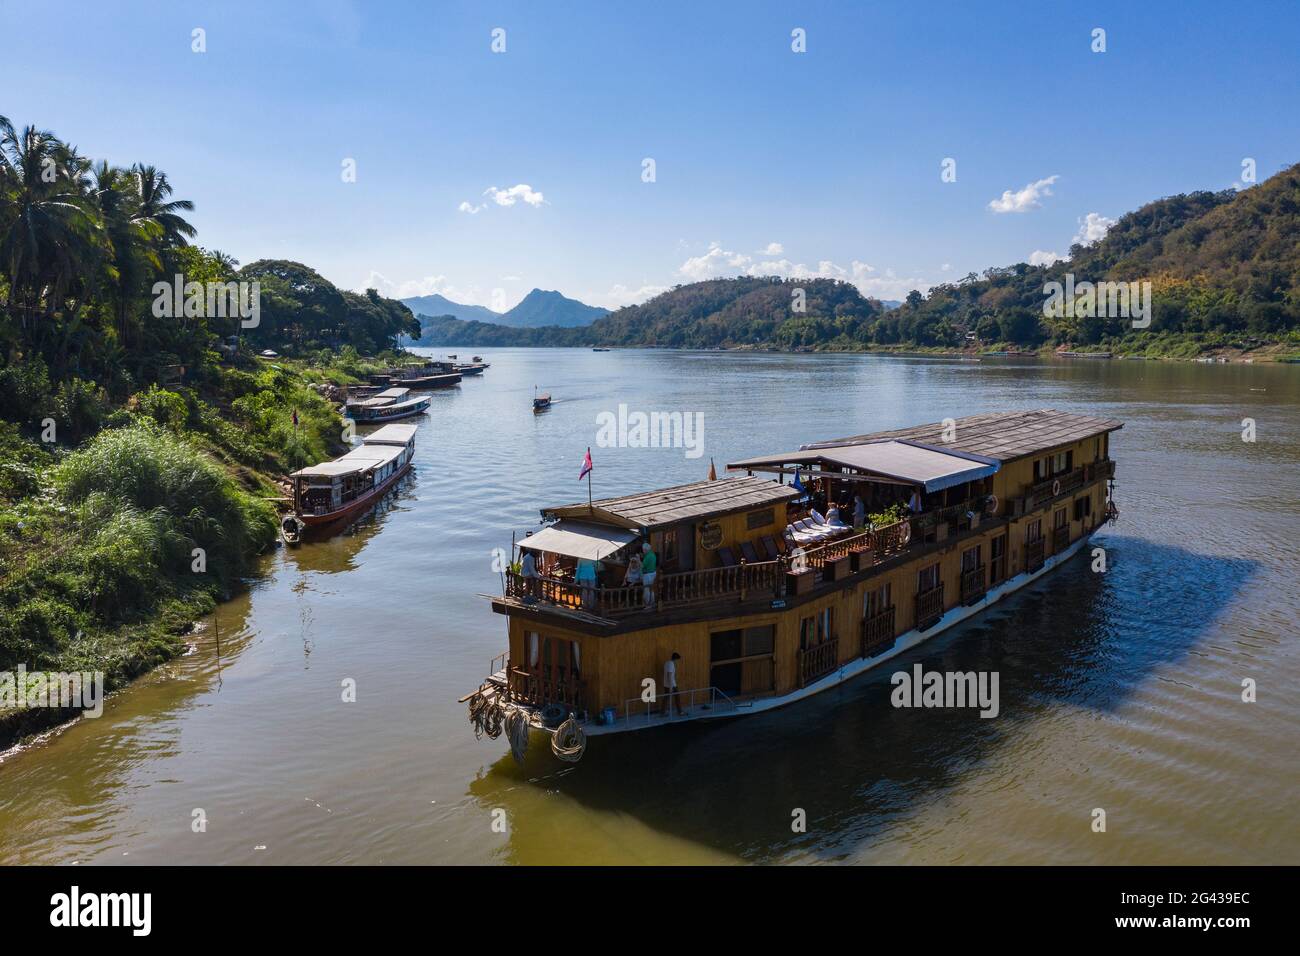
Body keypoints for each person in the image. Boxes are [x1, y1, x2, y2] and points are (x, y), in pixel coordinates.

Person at [663, 651, 684, 716]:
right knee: (677, 697)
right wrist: (671, 687)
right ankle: (680, 711)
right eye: (677, 660)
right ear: (676, 659)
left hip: (666, 684)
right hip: (672, 685)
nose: (677, 662)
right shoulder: (671, 664)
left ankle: (663, 712)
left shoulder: (666, 663)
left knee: (666, 698)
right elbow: (669, 675)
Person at [640, 541, 658, 608]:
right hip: (653, 573)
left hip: (648, 575)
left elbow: (642, 566)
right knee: (651, 589)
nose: (643, 551)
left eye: (643, 550)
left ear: (646, 549)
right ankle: (652, 603)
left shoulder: (648, 557)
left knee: (647, 590)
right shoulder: (652, 554)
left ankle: (647, 605)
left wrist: (639, 559)